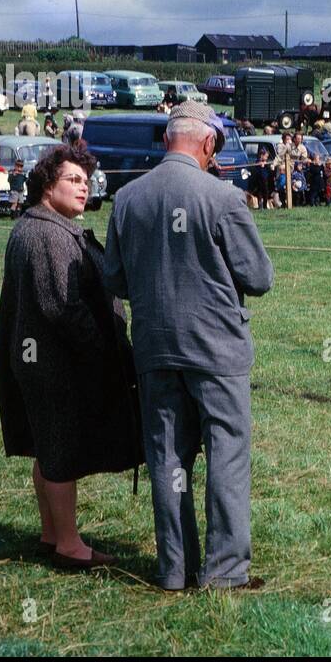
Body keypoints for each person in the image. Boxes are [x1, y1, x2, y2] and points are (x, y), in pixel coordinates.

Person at [102, 103, 274, 591]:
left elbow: (113, 277)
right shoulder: (223, 197)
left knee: (168, 459)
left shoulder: (128, 197)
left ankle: (174, 569)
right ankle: (224, 571)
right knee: (227, 454)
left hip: (154, 347)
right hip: (217, 349)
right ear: (209, 144)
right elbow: (259, 278)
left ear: (166, 141)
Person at [0, 142, 144, 569]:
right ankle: (69, 545)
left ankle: (51, 533)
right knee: (60, 450)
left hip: (40, 361)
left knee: (49, 447)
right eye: (73, 180)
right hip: (54, 366)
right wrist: (104, 354)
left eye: (86, 181)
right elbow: (63, 306)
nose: (84, 189)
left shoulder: (40, 225)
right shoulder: (46, 234)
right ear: (47, 184)